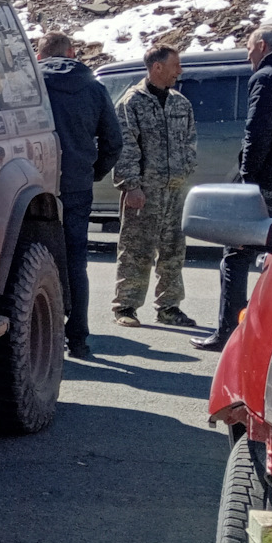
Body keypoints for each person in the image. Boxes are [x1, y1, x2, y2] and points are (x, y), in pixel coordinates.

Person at [193, 25, 272, 351]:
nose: (248, 56)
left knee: (235, 255)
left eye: (249, 48)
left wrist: (248, 180)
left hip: (267, 183)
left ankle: (229, 333)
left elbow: (257, 133)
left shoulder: (266, 79)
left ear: (262, 45)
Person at [38, 32, 123, 358]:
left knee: (36, 260)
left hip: (35, 186)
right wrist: (93, 172)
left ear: (40, 56)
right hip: (77, 185)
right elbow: (114, 142)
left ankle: (45, 335)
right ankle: (78, 338)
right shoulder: (94, 87)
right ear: (72, 53)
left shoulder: (32, 85)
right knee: (76, 260)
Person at [111, 44, 199, 328]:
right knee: (136, 250)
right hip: (144, 192)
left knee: (173, 251)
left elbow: (190, 142)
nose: (180, 71)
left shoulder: (180, 103)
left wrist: (185, 172)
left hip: (175, 191)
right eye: (175, 65)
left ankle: (169, 308)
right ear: (157, 67)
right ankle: (126, 306)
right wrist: (131, 186)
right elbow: (125, 147)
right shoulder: (131, 103)